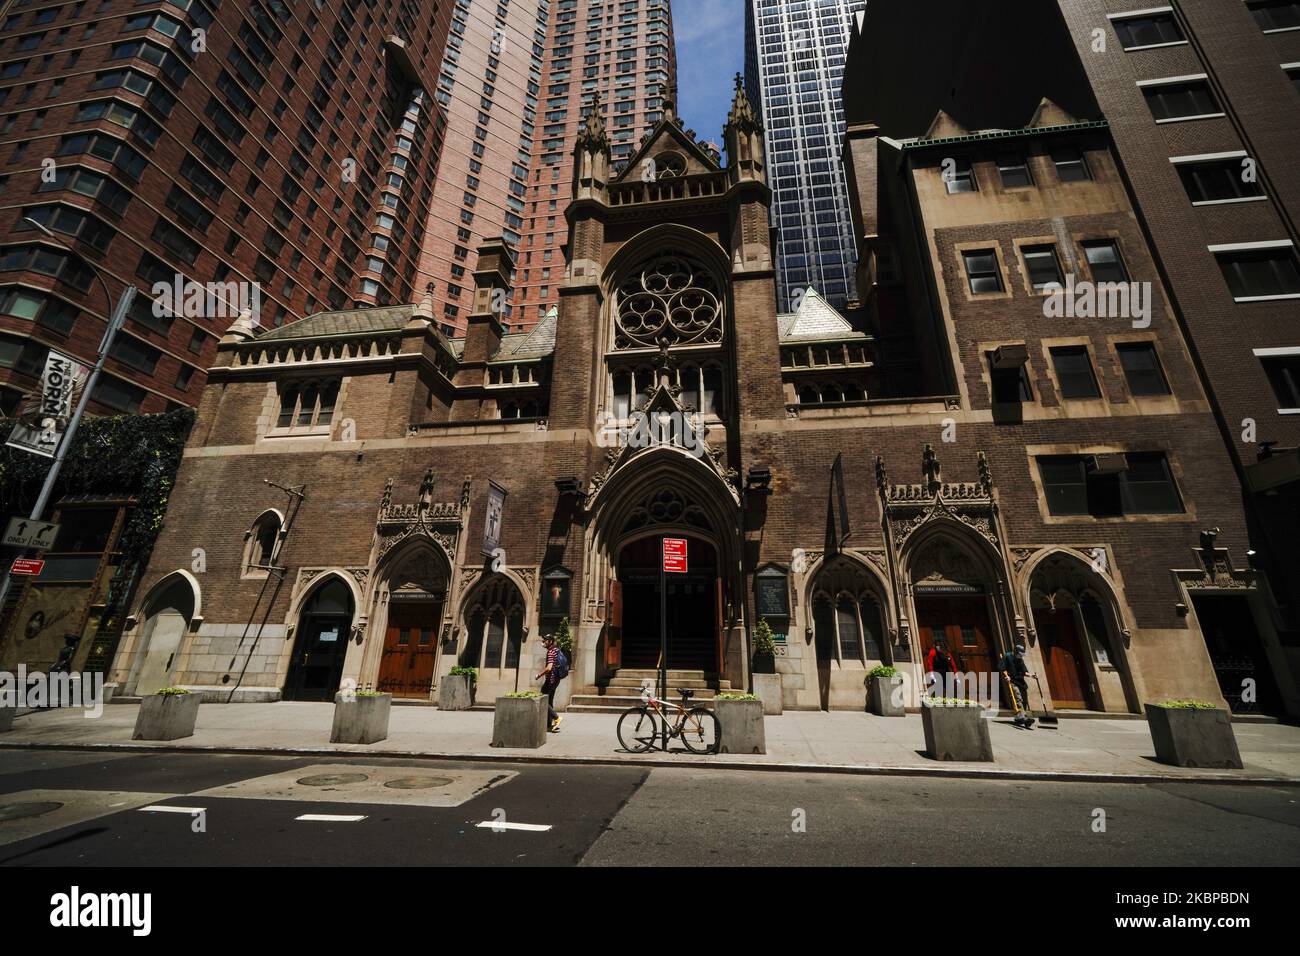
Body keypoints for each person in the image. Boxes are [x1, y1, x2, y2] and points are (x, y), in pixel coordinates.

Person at [997, 643, 1036, 727]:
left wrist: (1031, 675)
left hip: (1021, 681)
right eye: (1020, 654)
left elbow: (1024, 671)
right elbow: (1002, 668)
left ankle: (1020, 717)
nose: (1021, 656)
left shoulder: (1020, 659)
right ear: (1015, 651)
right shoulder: (1007, 656)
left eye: (1022, 655)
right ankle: (1023, 717)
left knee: (1024, 699)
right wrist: (1007, 676)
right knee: (1018, 698)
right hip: (1012, 680)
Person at [535, 634, 562, 732]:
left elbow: (549, 668)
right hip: (556, 679)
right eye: (543, 640)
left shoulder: (551, 652)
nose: (543, 642)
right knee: (549, 701)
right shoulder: (556, 650)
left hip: (550, 680)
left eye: (545, 640)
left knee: (543, 699)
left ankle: (556, 718)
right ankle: (548, 725)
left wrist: (539, 675)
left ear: (550, 641)